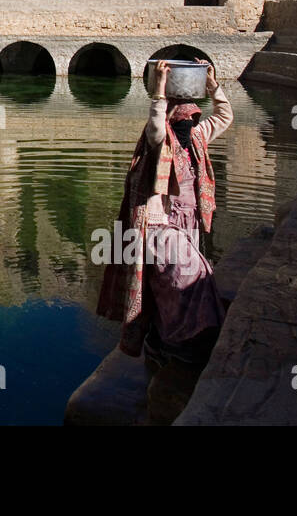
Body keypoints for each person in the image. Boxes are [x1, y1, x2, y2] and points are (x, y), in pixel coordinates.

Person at [97, 60, 233, 365]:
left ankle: (172, 340)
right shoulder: (160, 142)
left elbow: (225, 116)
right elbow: (157, 127)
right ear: (174, 119)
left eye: (193, 118)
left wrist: (212, 84)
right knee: (179, 279)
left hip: (189, 222)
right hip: (159, 226)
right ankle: (171, 339)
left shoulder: (196, 139)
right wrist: (158, 91)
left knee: (184, 282)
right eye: (184, 120)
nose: (189, 125)